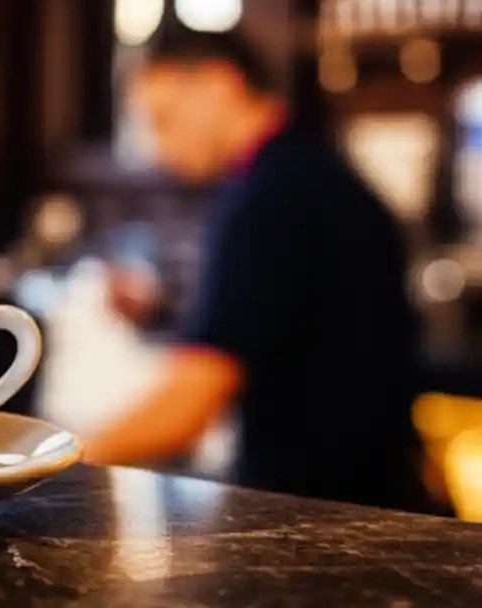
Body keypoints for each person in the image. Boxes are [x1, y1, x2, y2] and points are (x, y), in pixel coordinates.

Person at [82, 26, 427, 511]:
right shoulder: (306, 171)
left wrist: (56, 467)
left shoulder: (271, 196)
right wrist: (157, 311)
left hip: (322, 516)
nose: (160, 149)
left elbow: (188, 407)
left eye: (163, 120)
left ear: (219, 85)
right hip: (365, 498)